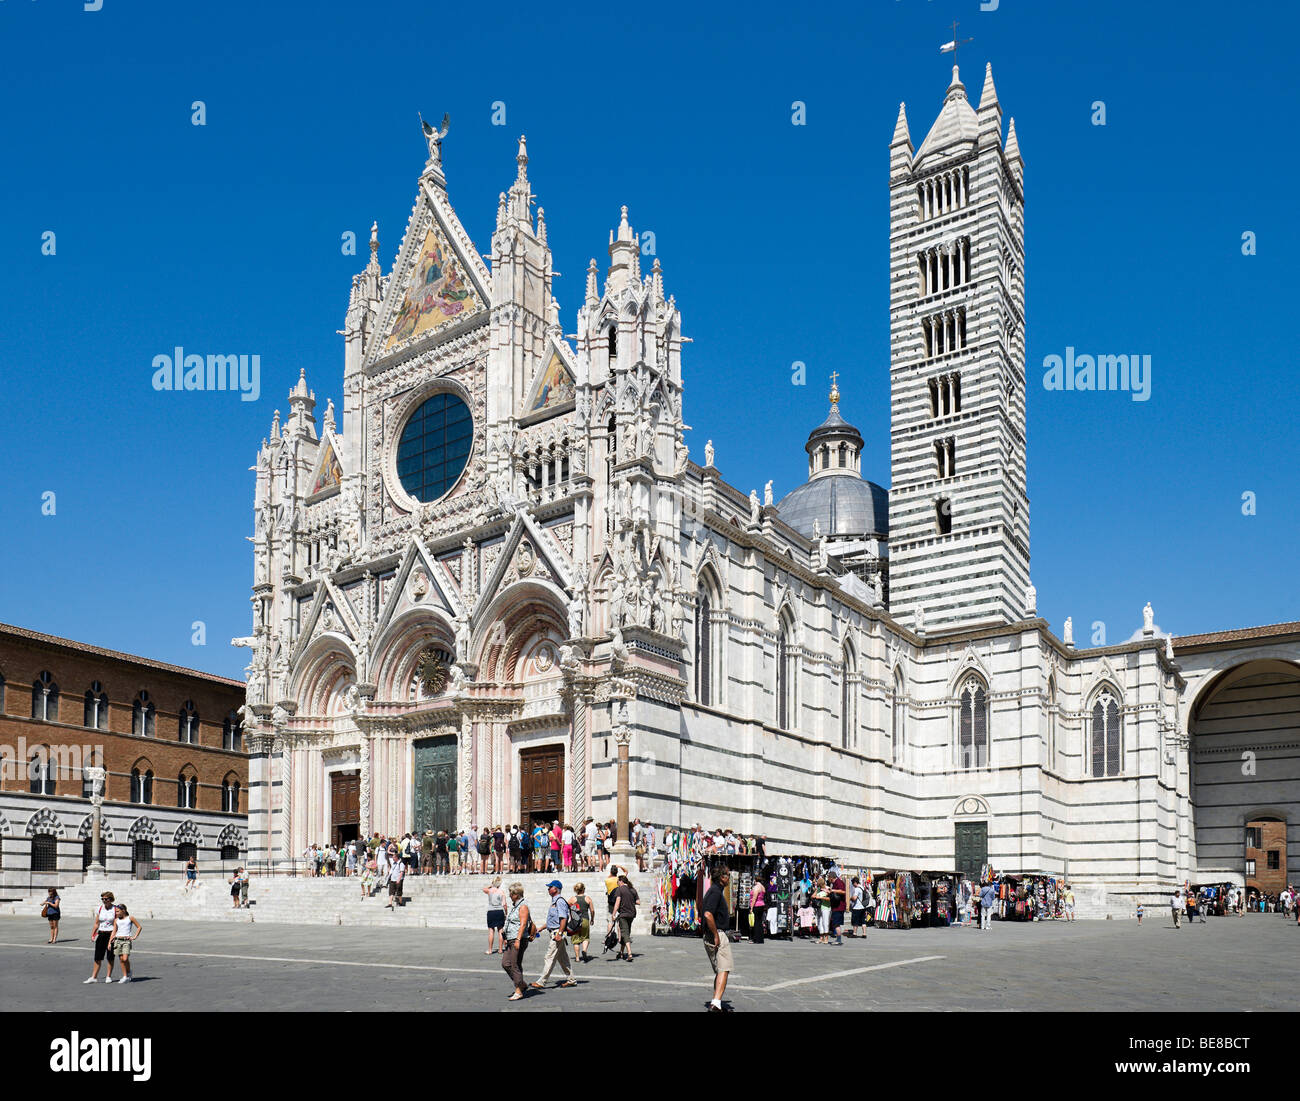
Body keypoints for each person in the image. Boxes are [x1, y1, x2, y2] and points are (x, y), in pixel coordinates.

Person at [530, 880, 577, 989]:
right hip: (555, 931)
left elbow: (563, 919)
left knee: (549, 957)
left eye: (550, 887)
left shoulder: (559, 901)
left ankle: (542, 981)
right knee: (563, 959)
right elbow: (554, 920)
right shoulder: (554, 901)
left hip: (557, 933)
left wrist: (560, 933)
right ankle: (571, 979)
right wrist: (541, 928)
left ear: (555, 889)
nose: (548, 889)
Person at [702, 865, 733, 1012]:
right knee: (724, 968)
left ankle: (716, 1000)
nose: (729, 877)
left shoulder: (712, 891)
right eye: (728, 875)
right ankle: (716, 1002)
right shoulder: (715, 892)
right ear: (722, 878)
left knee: (720, 970)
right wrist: (715, 935)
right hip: (718, 934)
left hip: (713, 934)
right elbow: (708, 914)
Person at [502, 883, 532, 1001]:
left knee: (515, 964)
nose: (509, 895)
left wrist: (518, 939)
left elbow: (523, 924)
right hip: (510, 938)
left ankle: (518, 990)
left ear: (517, 894)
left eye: (511, 893)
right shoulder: (515, 905)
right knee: (505, 963)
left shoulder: (523, 906)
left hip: (518, 938)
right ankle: (522, 983)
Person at [85, 891, 118, 983]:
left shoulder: (115, 909)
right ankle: (94, 977)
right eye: (102, 899)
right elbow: (96, 923)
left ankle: (108, 976)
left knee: (110, 956)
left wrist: (112, 938)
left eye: (106, 899)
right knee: (97, 957)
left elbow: (116, 925)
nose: (104, 900)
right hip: (101, 934)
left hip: (111, 934)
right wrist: (93, 934)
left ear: (111, 899)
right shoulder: (100, 908)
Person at [108, 904, 142, 983]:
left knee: (125, 959)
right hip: (117, 941)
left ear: (123, 910)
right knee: (121, 960)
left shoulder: (130, 918)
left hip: (126, 941)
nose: (116, 913)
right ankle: (125, 976)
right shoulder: (116, 920)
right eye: (115, 911)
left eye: (117, 911)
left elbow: (139, 927)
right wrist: (109, 942)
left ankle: (129, 971)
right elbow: (114, 931)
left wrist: (134, 937)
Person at [609, 874, 638, 961]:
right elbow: (638, 901)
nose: (617, 883)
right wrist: (630, 900)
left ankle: (629, 953)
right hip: (632, 914)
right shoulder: (632, 889)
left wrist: (613, 914)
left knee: (624, 933)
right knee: (626, 932)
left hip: (624, 914)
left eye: (618, 881)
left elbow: (617, 903)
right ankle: (621, 953)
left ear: (621, 881)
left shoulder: (620, 889)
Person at [570, 883, 594, 963]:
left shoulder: (573, 899)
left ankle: (577, 958)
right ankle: (584, 950)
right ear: (584, 889)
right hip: (585, 920)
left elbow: (566, 906)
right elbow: (592, 910)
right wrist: (592, 919)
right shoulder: (588, 898)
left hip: (575, 921)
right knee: (585, 937)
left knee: (576, 939)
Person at [484, 877, 507, 954]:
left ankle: (490, 950)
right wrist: (506, 913)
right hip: (499, 911)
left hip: (491, 911)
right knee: (500, 930)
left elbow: (484, 889)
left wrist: (490, 886)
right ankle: (500, 949)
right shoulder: (502, 892)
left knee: (491, 931)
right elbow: (504, 904)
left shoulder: (489, 891)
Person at [829, 870, 847, 945]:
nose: (828, 879)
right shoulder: (835, 883)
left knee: (836, 924)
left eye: (828, 877)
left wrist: (832, 890)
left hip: (839, 906)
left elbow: (843, 891)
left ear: (831, 877)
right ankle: (838, 939)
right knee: (836, 923)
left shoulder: (838, 882)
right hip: (836, 906)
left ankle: (839, 940)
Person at [750, 873, 766, 944]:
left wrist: (751, 907)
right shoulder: (762, 887)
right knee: (760, 922)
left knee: (756, 922)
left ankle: (756, 939)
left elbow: (754, 898)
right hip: (762, 905)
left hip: (757, 905)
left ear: (755, 880)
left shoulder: (757, 887)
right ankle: (760, 938)